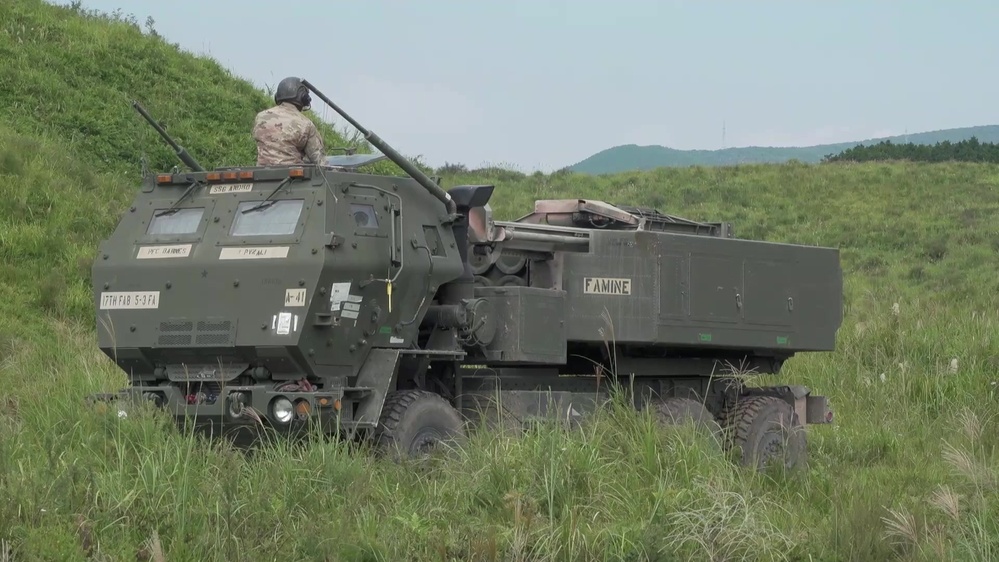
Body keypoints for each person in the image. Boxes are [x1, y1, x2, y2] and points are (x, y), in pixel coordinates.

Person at [252, 76, 326, 166]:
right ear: (303, 97)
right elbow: (319, 160)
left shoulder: (261, 117)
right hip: (293, 177)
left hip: (261, 174)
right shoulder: (306, 124)